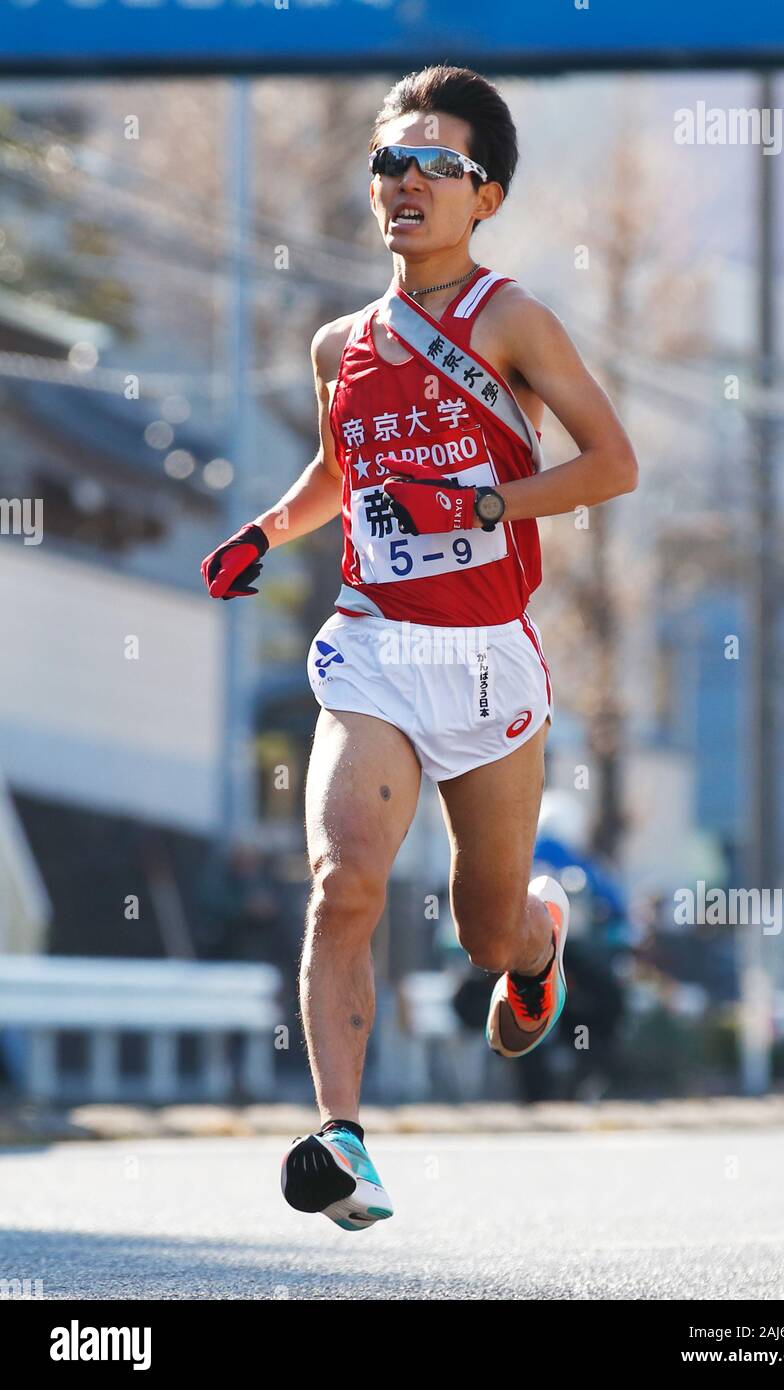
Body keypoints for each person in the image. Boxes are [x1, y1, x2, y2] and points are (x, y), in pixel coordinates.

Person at [201, 65, 638, 1231]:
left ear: (482, 193)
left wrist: (490, 509)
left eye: (434, 163)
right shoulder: (338, 341)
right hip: (375, 648)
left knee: (483, 924)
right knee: (343, 878)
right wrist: (265, 529)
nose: (404, 181)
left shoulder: (512, 320)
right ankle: (342, 1139)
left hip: (488, 659)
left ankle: (537, 940)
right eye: (389, 160)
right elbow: (343, 478)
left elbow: (611, 463)